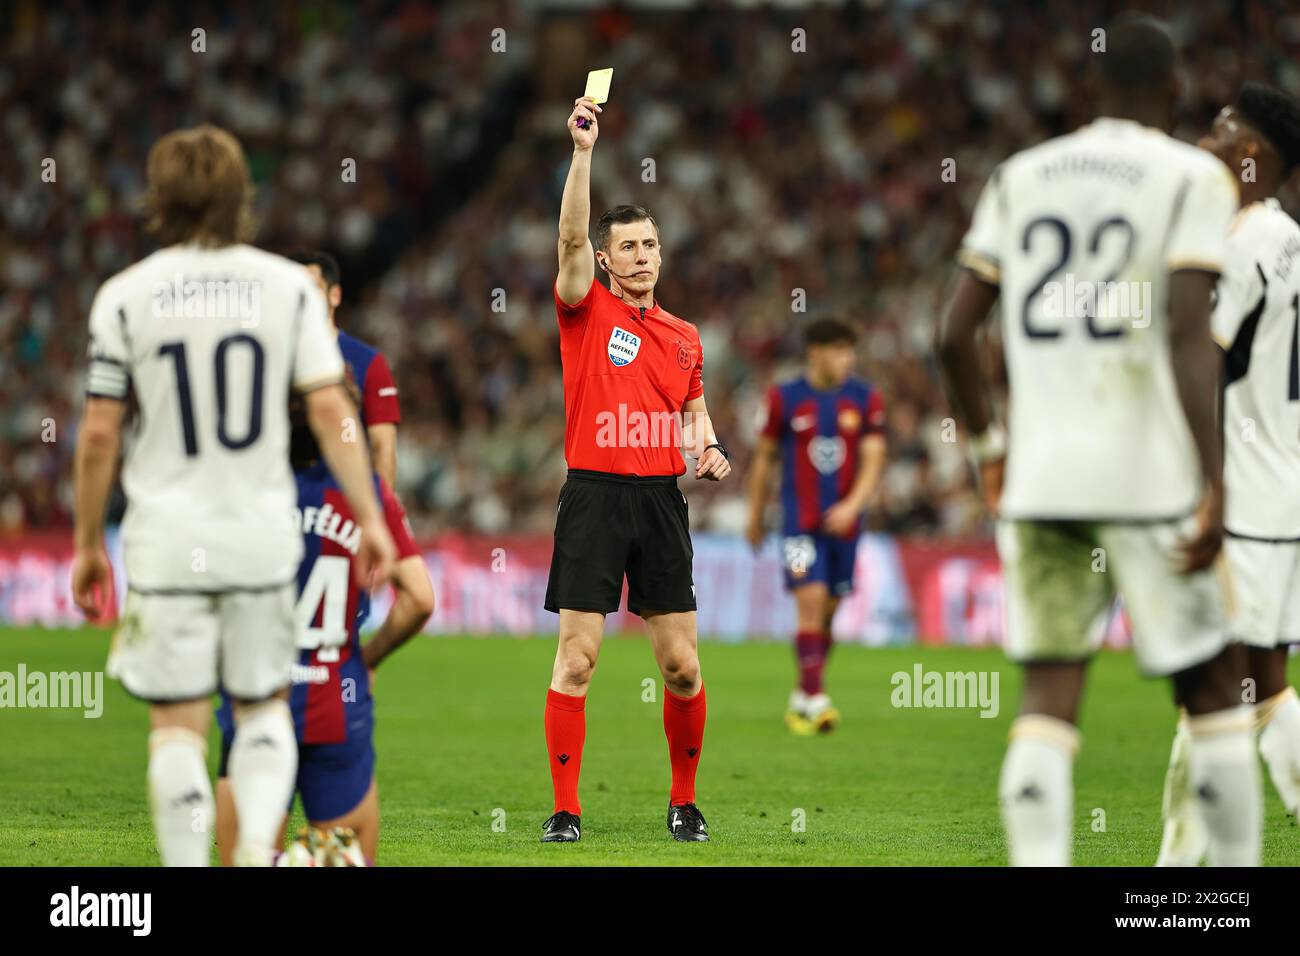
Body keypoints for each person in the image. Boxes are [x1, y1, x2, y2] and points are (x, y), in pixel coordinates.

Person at [936, 15, 1259, 866]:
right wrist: (1214, 479)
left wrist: (988, 448)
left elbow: (950, 334)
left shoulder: (1019, 175)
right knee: (1216, 689)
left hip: (1041, 478)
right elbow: (1190, 331)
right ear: (1174, 90)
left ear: (1085, 90)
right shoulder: (1191, 176)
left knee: (1047, 695)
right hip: (1147, 477)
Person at [71, 125, 395, 867]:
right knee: (260, 707)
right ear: (238, 195)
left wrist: (90, 544)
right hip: (261, 533)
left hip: (165, 536)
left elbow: (95, 435)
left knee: (179, 724)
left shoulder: (124, 295)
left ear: (159, 198)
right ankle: (254, 848)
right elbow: (328, 411)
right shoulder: (287, 289)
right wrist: (370, 515)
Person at [540, 93, 732, 844]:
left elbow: (693, 410)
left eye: (651, 245)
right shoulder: (584, 309)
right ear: (606, 260)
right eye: (629, 247)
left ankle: (684, 802)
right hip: (592, 498)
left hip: (659, 502)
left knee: (682, 666)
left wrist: (707, 447)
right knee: (579, 659)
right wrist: (583, 153)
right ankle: (566, 809)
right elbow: (565, 239)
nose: (643, 256)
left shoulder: (685, 336)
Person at [1157, 82, 1300, 866]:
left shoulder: (1241, 243)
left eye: (1221, 128)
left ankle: (1181, 873)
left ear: (1251, 154)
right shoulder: (1291, 239)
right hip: (1281, 491)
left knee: (1210, 692)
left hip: (1240, 497)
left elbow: (1201, 363)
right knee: (1264, 686)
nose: (1207, 138)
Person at [213, 386, 435, 866]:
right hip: (336, 703)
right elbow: (419, 599)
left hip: (254, 700)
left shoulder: (238, 487)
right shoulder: (367, 496)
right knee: (345, 858)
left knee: (246, 856)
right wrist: (365, 658)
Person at [746, 318, 887, 734]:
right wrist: (755, 516)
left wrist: (852, 506)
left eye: (850, 351)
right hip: (797, 526)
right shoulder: (784, 398)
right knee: (811, 598)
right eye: (840, 351)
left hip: (846, 525)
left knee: (828, 613)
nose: (848, 360)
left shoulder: (865, 398)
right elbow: (764, 459)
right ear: (816, 353)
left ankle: (801, 694)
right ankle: (817, 698)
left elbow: (874, 457)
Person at [290, 251, 401, 489]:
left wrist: (379, 513)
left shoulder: (366, 361)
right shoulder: (275, 359)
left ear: (335, 295)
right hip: (284, 504)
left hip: (340, 506)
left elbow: (383, 447)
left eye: (313, 289)